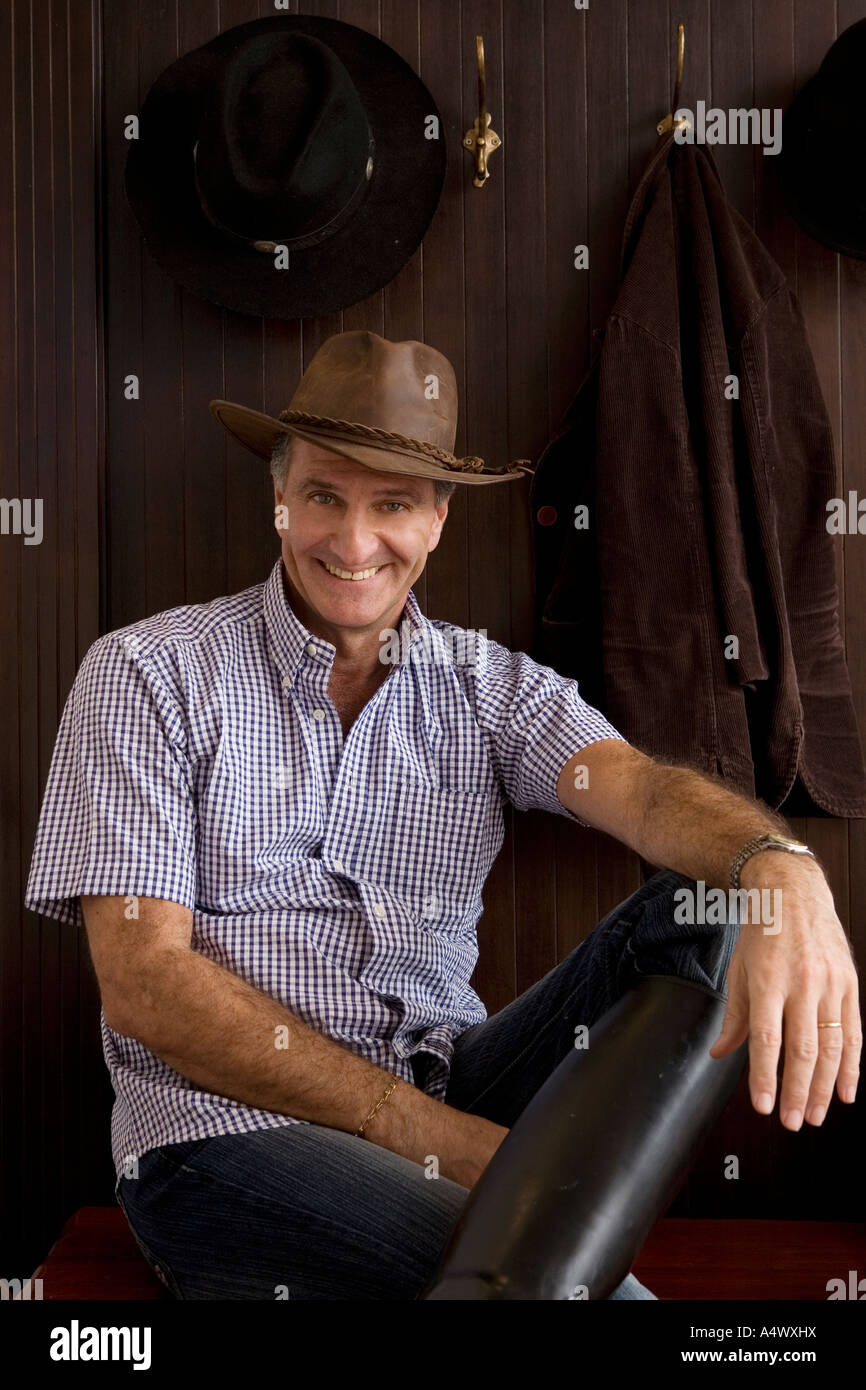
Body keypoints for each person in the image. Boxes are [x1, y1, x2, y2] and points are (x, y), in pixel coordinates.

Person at [25, 333, 859, 1301]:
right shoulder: (146, 673)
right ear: (279, 497)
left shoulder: (489, 686)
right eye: (325, 496)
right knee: (555, 1287)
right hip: (223, 1137)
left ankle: (571, 1212)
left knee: (715, 903)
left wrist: (783, 865)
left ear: (437, 520)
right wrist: (458, 1149)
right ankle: (555, 1232)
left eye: (392, 504)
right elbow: (146, 987)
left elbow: (639, 789)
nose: (352, 544)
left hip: (447, 1084)